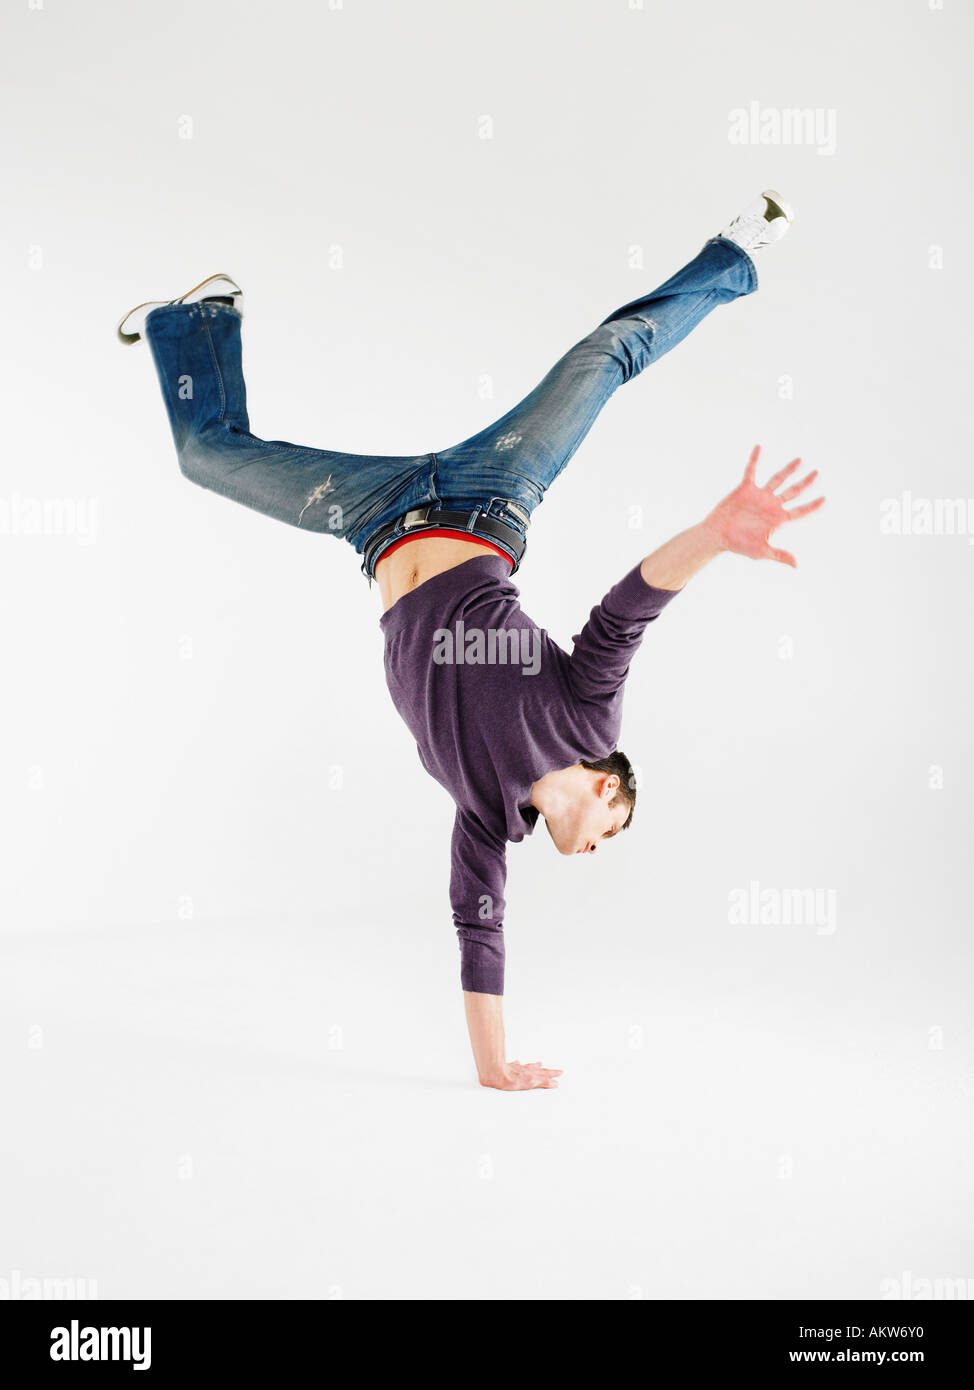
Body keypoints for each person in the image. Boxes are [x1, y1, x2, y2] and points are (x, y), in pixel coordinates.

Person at [117, 191, 824, 1091]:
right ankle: (737, 250)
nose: (604, 844)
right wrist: (715, 538)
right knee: (603, 357)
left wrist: (493, 1069)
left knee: (206, 456)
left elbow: (480, 932)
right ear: (607, 784)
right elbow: (629, 609)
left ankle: (202, 320)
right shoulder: (587, 714)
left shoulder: (487, 821)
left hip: (375, 520)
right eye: (618, 826)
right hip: (490, 496)